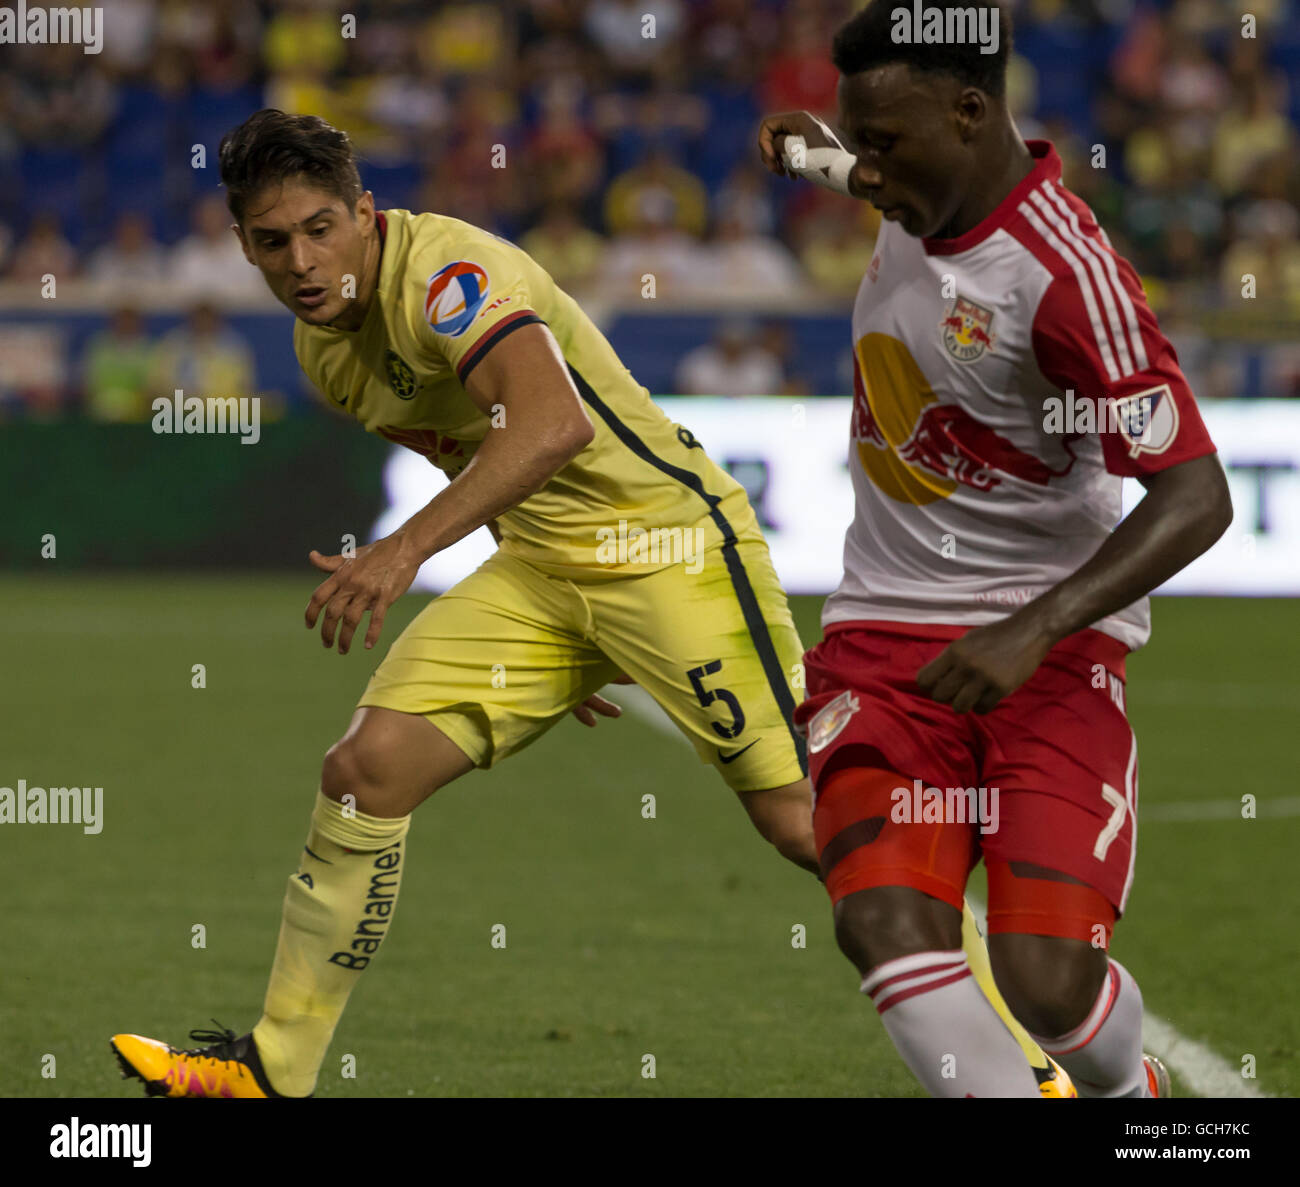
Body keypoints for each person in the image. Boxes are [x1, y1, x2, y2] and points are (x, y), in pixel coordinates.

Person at [111, 107, 1067, 1098]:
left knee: (804, 819)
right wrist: (558, 649)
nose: (302, 260)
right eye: (272, 242)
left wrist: (401, 550)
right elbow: (480, 454)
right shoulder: (326, 352)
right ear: (242, 248)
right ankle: (270, 1070)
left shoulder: (448, 278)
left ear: (365, 213)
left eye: (319, 228)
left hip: (666, 549)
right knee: (367, 769)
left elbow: (551, 424)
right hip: (540, 573)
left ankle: (1031, 1070)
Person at [758, 0, 1232, 1098]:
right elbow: (842, 159)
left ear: (969, 114)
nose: (868, 172)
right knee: (880, 917)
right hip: (881, 640)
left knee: (1046, 980)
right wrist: (805, 150)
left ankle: (1130, 1094)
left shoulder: (1067, 276)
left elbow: (1195, 492)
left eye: (884, 143)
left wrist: (1035, 626)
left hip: (1045, 655)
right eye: (859, 142)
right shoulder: (906, 178)